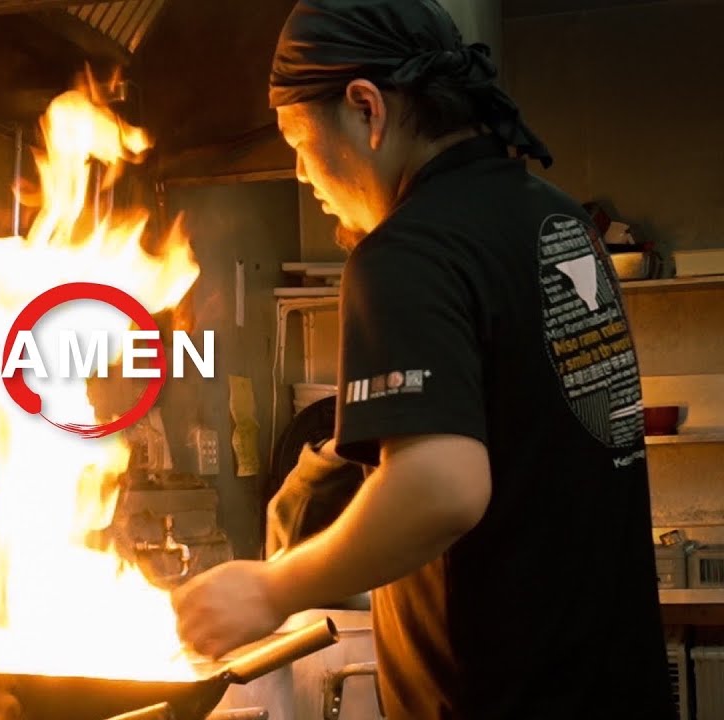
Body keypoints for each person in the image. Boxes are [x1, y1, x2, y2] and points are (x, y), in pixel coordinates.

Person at [171, 1, 676, 718]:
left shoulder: (407, 251)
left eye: (296, 140)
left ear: (365, 109)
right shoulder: (557, 219)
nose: (301, 174)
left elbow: (442, 486)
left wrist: (271, 586)